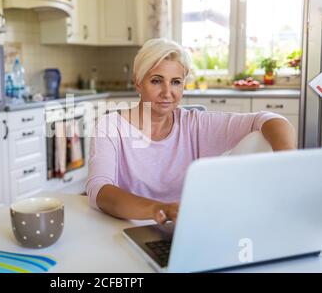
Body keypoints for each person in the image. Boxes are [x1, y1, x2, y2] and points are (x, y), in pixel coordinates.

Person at [85, 38, 296, 225]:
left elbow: (269, 119)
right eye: (156, 80)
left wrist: (287, 162)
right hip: (126, 229)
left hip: (186, 230)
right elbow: (99, 190)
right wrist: (159, 209)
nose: (167, 93)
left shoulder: (195, 124)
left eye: (176, 82)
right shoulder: (110, 127)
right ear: (138, 83)